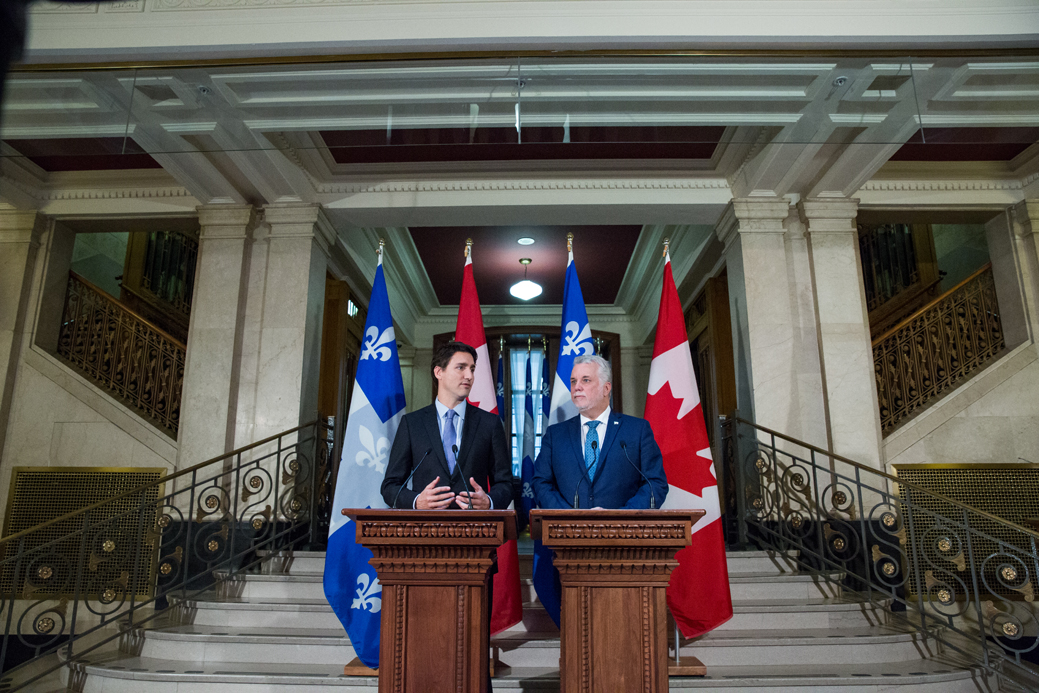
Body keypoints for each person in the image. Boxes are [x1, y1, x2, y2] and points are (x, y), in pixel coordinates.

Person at [381, 341, 513, 511]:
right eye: (461, 368)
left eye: (472, 369)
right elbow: (390, 486)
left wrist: (489, 501)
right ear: (439, 372)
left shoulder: (489, 423)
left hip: (475, 530)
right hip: (425, 530)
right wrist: (416, 502)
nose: (469, 376)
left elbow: (505, 483)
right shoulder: (412, 423)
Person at [532, 354, 668, 509]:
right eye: (573, 381)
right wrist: (568, 517)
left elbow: (655, 483)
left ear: (606, 388)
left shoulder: (637, 430)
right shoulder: (555, 435)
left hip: (623, 530)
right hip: (567, 530)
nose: (577, 387)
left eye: (586, 380)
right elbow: (540, 483)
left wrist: (620, 518)